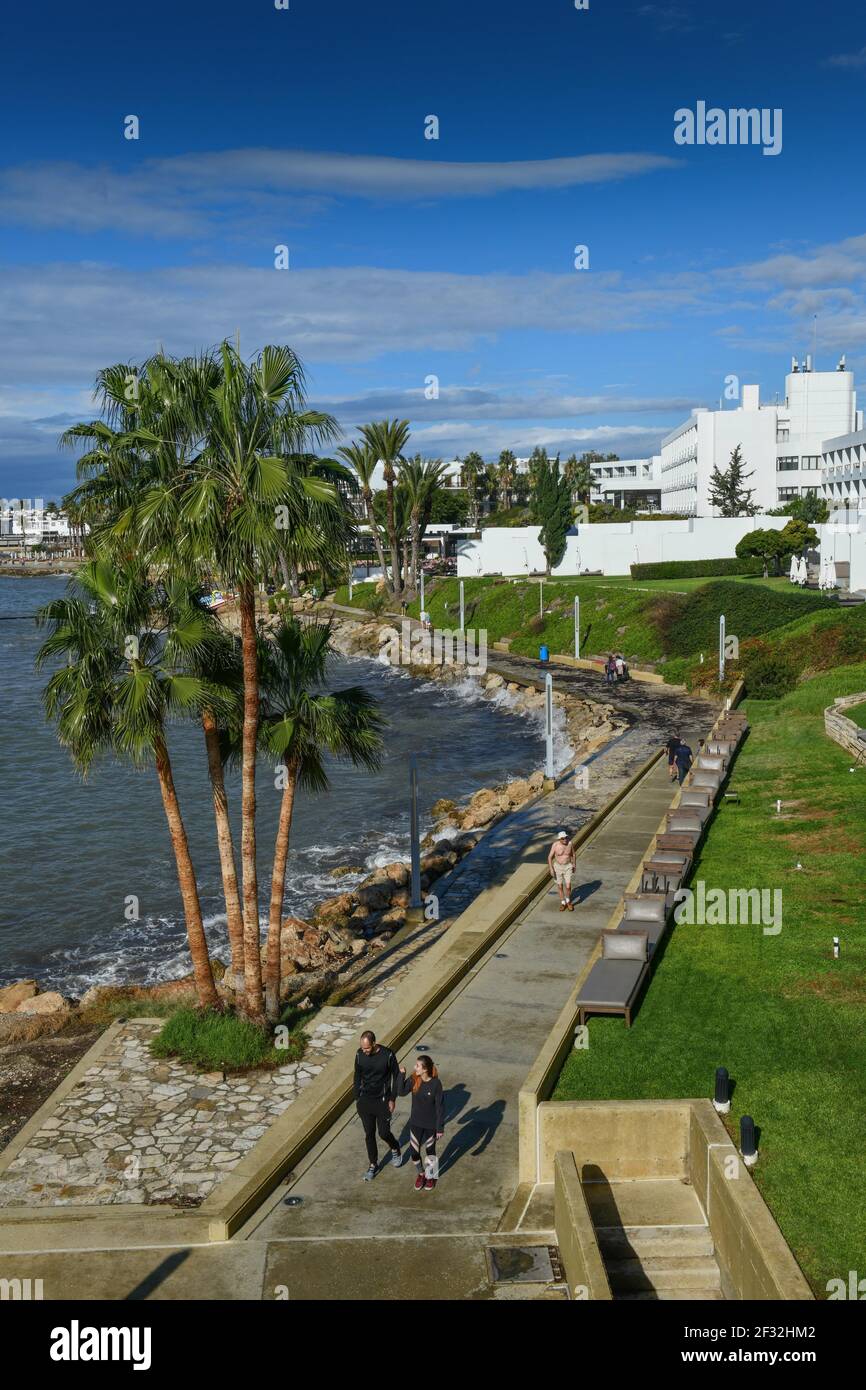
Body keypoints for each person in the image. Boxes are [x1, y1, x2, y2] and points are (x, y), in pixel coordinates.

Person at [354, 1030, 402, 1180]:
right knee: (369, 1134)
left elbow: (397, 1075)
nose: (364, 1051)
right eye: (362, 1047)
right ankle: (373, 1164)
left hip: (382, 1101)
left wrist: (392, 1098)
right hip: (365, 1101)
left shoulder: (387, 1055)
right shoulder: (359, 1054)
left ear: (374, 1044)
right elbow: (357, 1075)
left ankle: (395, 1147)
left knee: (383, 1133)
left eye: (367, 1048)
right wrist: (357, 1097)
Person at [396, 1055, 445, 1191]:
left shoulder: (436, 1084)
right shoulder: (414, 1079)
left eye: (417, 1066)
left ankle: (431, 1176)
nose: (414, 1067)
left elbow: (440, 1107)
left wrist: (439, 1128)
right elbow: (400, 1092)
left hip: (430, 1125)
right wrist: (401, 1075)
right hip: (416, 1123)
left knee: (430, 1151)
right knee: (414, 1152)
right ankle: (421, 1174)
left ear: (425, 1069)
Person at [548, 830, 576, 911]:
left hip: (568, 866)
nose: (565, 840)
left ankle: (568, 901)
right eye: (563, 838)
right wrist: (551, 869)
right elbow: (549, 857)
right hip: (558, 867)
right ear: (559, 839)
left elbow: (573, 854)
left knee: (568, 886)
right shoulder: (555, 845)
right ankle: (563, 903)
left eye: (566, 838)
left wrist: (574, 864)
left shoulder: (570, 844)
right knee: (560, 886)